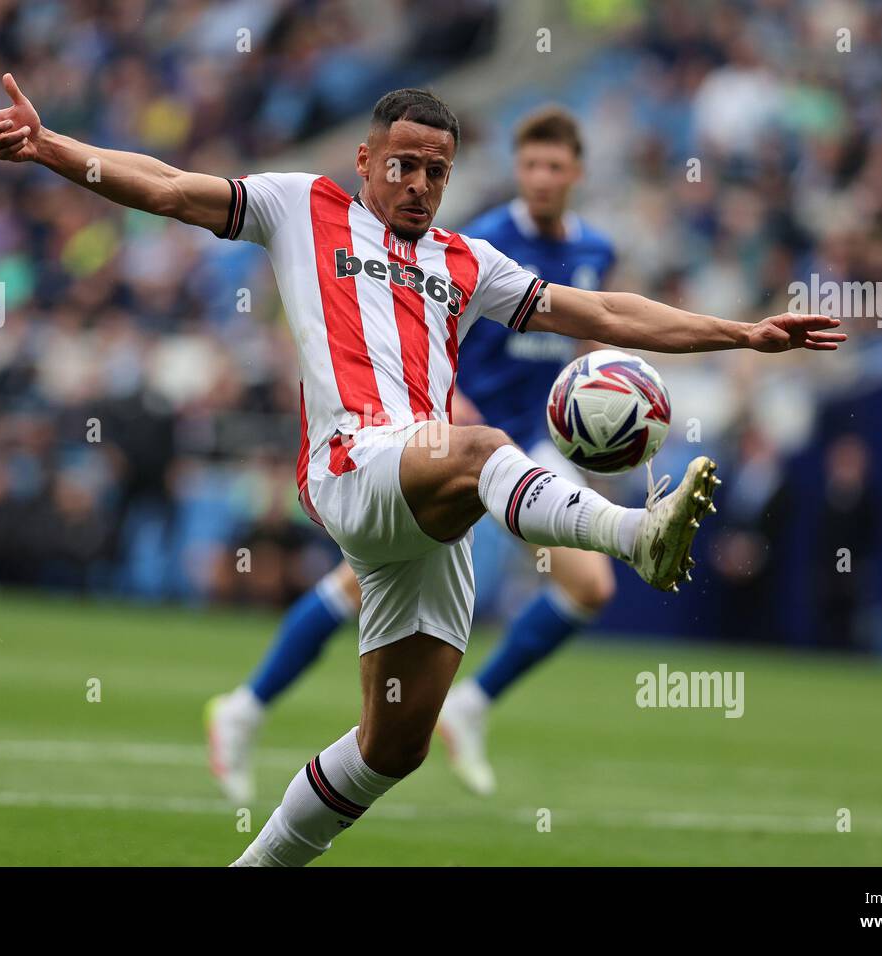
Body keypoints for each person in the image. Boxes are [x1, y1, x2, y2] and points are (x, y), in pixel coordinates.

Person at [0, 78, 844, 865]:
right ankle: (633, 536)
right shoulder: (302, 206)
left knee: (392, 747)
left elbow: (600, 308)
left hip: (419, 510)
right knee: (486, 445)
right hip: (353, 465)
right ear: (367, 158)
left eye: (436, 172)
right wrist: (50, 147)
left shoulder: (465, 262)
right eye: (404, 165)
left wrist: (743, 332)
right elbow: (172, 189)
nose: (418, 185)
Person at [205, 106, 625, 802]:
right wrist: (457, 428)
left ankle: (469, 702)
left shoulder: (596, 251)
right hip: (457, 434)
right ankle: (248, 704)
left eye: (555, 167)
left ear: (577, 173)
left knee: (588, 586)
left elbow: (588, 331)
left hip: (524, 445)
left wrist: (602, 404)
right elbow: (428, 343)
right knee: (357, 583)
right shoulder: (481, 239)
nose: (541, 179)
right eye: (530, 166)